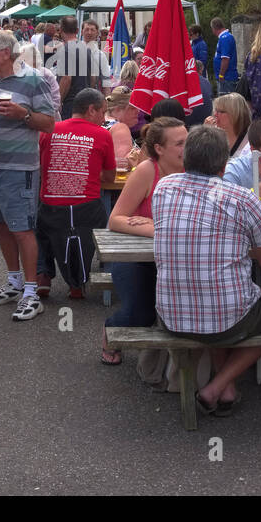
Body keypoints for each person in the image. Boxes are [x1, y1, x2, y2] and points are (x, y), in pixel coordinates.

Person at [154, 125, 261, 414]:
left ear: (187, 156)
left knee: (221, 297)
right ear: (224, 162)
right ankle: (218, 386)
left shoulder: (164, 189)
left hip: (170, 315)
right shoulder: (243, 199)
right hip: (225, 318)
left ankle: (226, 388)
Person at [0, 30, 57, 321]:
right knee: (0, 226)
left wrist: (23, 114)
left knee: (22, 229)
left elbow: (50, 124)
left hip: (17, 168)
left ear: (6, 53)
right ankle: (14, 282)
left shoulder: (35, 79)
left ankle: (32, 292)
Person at [102, 117, 186, 364]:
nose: (187, 148)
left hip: (174, 258)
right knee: (141, 313)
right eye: (180, 143)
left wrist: (155, 225)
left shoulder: (192, 168)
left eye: (188, 141)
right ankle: (110, 330)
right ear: (159, 149)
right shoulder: (148, 170)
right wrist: (157, 229)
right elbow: (116, 219)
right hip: (135, 258)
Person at [36, 89, 115, 299]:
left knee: (40, 227)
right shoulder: (103, 134)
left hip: (51, 207)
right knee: (98, 218)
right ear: (91, 110)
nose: (103, 118)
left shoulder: (49, 130)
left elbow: (42, 165)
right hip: (86, 208)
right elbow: (109, 177)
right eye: (103, 113)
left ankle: (43, 273)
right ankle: (78, 282)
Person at [54, 15, 107, 120]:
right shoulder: (86, 49)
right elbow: (93, 77)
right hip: (85, 103)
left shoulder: (65, 50)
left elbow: (66, 78)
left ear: (61, 30)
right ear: (78, 30)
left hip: (70, 104)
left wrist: (58, 102)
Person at [203, 92, 251, 156]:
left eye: (221, 112)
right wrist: (205, 134)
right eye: (216, 110)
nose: (215, 115)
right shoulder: (215, 135)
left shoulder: (251, 141)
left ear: (235, 115)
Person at [211, 17, 238, 92]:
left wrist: (221, 75)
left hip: (227, 78)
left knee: (225, 102)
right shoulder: (225, 37)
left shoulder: (225, 38)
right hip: (227, 77)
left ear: (214, 28)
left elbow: (225, 59)